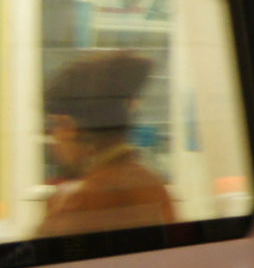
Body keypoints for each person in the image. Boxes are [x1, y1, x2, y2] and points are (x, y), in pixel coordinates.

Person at [37, 51, 175, 238]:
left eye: (52, 125)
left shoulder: (79, 203)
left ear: (67, 126)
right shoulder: (153, 184)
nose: (53, 139)